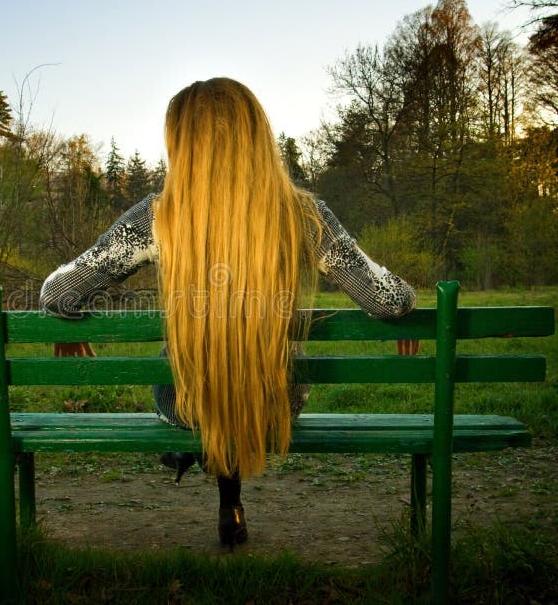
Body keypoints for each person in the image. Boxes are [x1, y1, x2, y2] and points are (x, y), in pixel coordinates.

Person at [40, 77, 416, 546]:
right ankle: (226, 493)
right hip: (275, 400)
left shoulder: (155, 218)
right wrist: (411, 302)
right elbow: (386, 299)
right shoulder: (304, 215)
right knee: (248, 356)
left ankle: (189, 450)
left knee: (184, 356)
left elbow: (58, 292)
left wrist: (70, 319)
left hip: (187, 405)